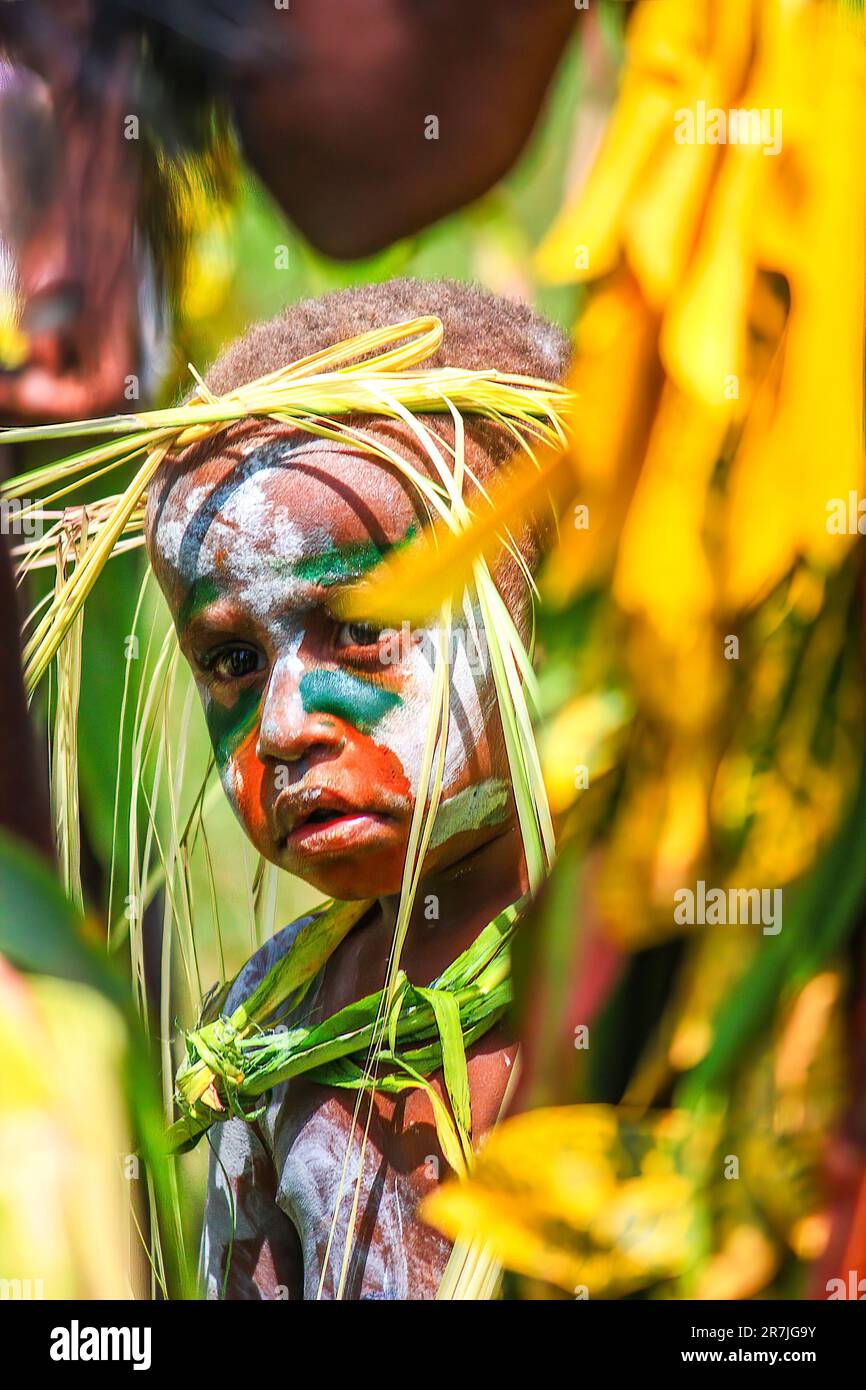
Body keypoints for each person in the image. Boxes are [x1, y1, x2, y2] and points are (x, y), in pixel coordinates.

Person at [145, 277, 569, 1299]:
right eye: (234, 662)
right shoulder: (269, 1026)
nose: (284, 726)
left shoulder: (652, 963)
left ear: (541, 609)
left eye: (364, 628)